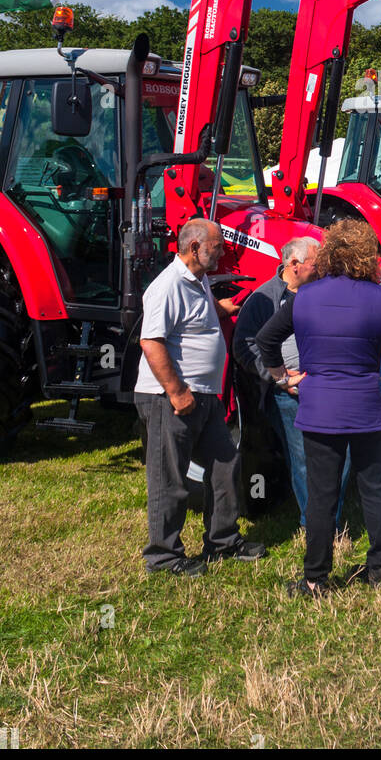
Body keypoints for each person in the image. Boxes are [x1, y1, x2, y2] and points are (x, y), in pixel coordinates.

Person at [256, 219, 381, 597]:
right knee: (376, 488)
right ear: (368, 255)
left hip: (320, 407)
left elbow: (266, 338)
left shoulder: (304, 297)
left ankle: (316, 577)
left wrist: (282, 377)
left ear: (329, 254)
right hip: (369, 406)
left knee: (321, 495)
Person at [134, 218, 267, 575]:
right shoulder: (168, 286)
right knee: (170, 477)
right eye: (217, 247)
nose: (223, 253)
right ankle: (163, 555)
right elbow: (151, 342)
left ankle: (222, 540)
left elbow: (195, 321)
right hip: (171, 398)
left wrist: (226, 308)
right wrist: (177, 392)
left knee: (226, 465)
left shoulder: (198, 281)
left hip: (205, 397)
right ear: (194, 247)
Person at [232, 236, 349, 524]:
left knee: (342, 455)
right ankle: (317, 526)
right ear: (294, 265)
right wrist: (278, 377)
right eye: (316, 263)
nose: (322, 268)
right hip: (290, 394)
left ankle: (330, 514)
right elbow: (244, 345)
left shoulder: (323, 291)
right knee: (304, 460)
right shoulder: (264, 298)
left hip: (329, 387)